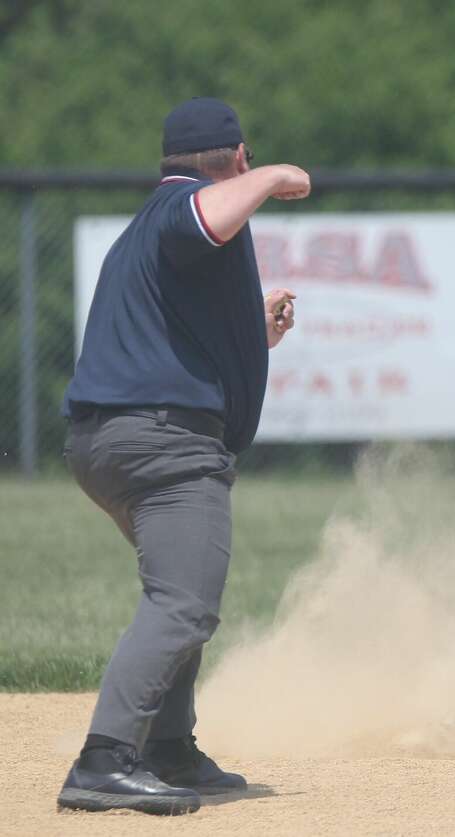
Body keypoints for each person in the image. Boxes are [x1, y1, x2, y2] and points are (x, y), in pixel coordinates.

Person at [56, 97, 310, 815]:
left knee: (180, 587)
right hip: (162, 445)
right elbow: (200, 214)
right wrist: (272, 177)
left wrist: (252, 328)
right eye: (248, 162)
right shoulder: (179, 208)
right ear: (238, 156)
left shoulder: (146, 232)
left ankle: (169, 748)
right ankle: (104, 760)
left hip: (116, 439)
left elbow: (172, 331)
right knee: (184, 602)